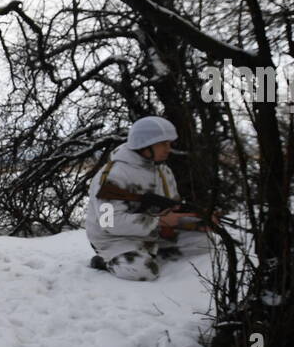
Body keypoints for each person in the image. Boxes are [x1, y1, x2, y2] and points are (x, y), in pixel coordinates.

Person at [84, 116, 213, 281]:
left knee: (205, 243)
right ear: (144, 144)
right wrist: (160, 223)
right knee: (145, 270)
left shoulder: (163, 171)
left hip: (152, 234)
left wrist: (195, 221)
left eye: (169, 143)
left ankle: (152, 252)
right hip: (114, 239)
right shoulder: (114, 175)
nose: (168, 148)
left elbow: (171, 212)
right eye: (163, 144)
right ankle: (105, 261)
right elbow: (108, 222)